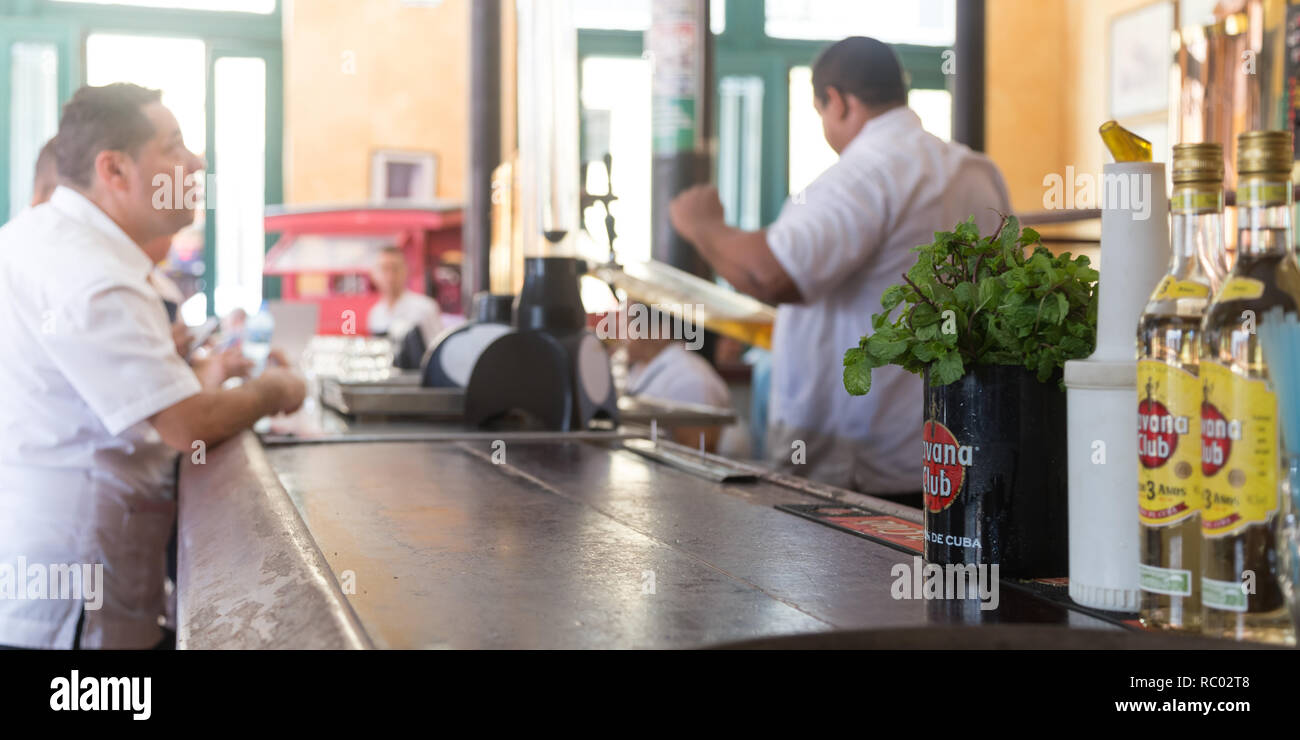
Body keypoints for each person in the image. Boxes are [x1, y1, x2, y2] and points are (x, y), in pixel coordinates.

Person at [0, 83, 306, 649]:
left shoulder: (39, 239)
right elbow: (187, 424)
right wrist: (276, 388)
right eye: (175, 146)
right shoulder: (93, 272)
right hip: (70, 601)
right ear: (114, 170)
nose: (196, 163)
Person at [669, 37, 1011, 501]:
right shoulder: (975, 171)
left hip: (860, 472)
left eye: (820, 112)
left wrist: (702, 224)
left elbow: (767, 273)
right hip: (947, 455)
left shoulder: (867, 172)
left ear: (837, 101)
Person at [622, 304, 732, 452]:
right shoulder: (640, 368)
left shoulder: (689, 379)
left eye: (629, 323)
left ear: (660, 331)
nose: (621, 331)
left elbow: (697, 454)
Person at [367, 245, 441, 345]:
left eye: (395, 268)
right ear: (374, 274)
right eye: (384, 269)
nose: (390, 276)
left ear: (405, 271)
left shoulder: (425, 308)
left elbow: (437, 350)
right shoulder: (375, 314)